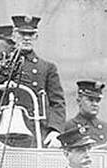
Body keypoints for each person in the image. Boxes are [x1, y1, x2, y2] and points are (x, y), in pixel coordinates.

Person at [7, 15, 65, 143]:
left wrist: (55, 130)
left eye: (31, 34)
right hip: (6, 133)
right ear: (14, 36)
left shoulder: (47, 68)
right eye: (22, 34)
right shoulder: (2, 66)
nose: (27, 38)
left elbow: (57, 103)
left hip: (37, 132)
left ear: (36, 37)